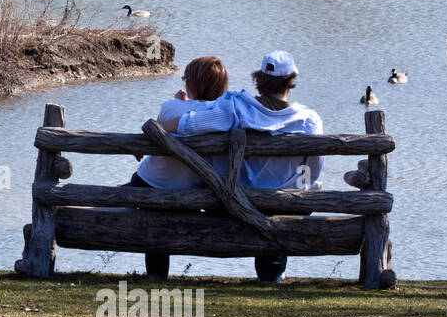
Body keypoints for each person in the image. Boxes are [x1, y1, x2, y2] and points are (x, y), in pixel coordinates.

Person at [161, 50, 324, 283]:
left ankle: (272, 273)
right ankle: (273, 274)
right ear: (291, 81)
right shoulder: (308, 119)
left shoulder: (236, 107)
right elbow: (314, 168)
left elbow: (187, 125)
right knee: (288, 198)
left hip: (236, 199)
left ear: (259, 80)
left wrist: (159, 124)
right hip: (286, 202)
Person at [129, 56, 229, 279]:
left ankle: (156, 275)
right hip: (189, 196)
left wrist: (178, 103)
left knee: (153, 219)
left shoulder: (170, 107)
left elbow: (156, 129)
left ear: (190, 84)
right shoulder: (220, 113)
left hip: (148, 185)